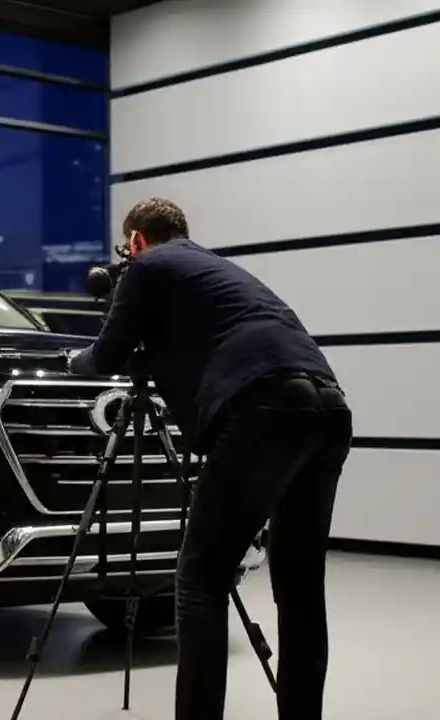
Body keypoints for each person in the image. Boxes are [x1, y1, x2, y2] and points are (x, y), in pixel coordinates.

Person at [68, 198, 352, 720]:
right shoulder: (215, 270)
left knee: (201, 579)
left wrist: (73, 358)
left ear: (134, 241)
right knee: (300, 587)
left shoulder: (147, 267)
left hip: (263, 409)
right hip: (329, 407)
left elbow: (104, 357)